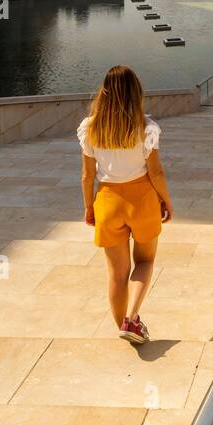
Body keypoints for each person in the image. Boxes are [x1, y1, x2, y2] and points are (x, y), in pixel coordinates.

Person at [78, 65, 173, 346]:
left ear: (104, 93)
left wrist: (88, 207)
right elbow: (156, 172)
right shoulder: (147, 128)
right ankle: (132, 318)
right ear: (136, 93)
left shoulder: (90, 127)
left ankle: (124, 326)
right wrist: (166, 199)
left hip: (107, 200)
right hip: (142, 199)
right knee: (145, 261)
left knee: (116, 274)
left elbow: (87, 174)